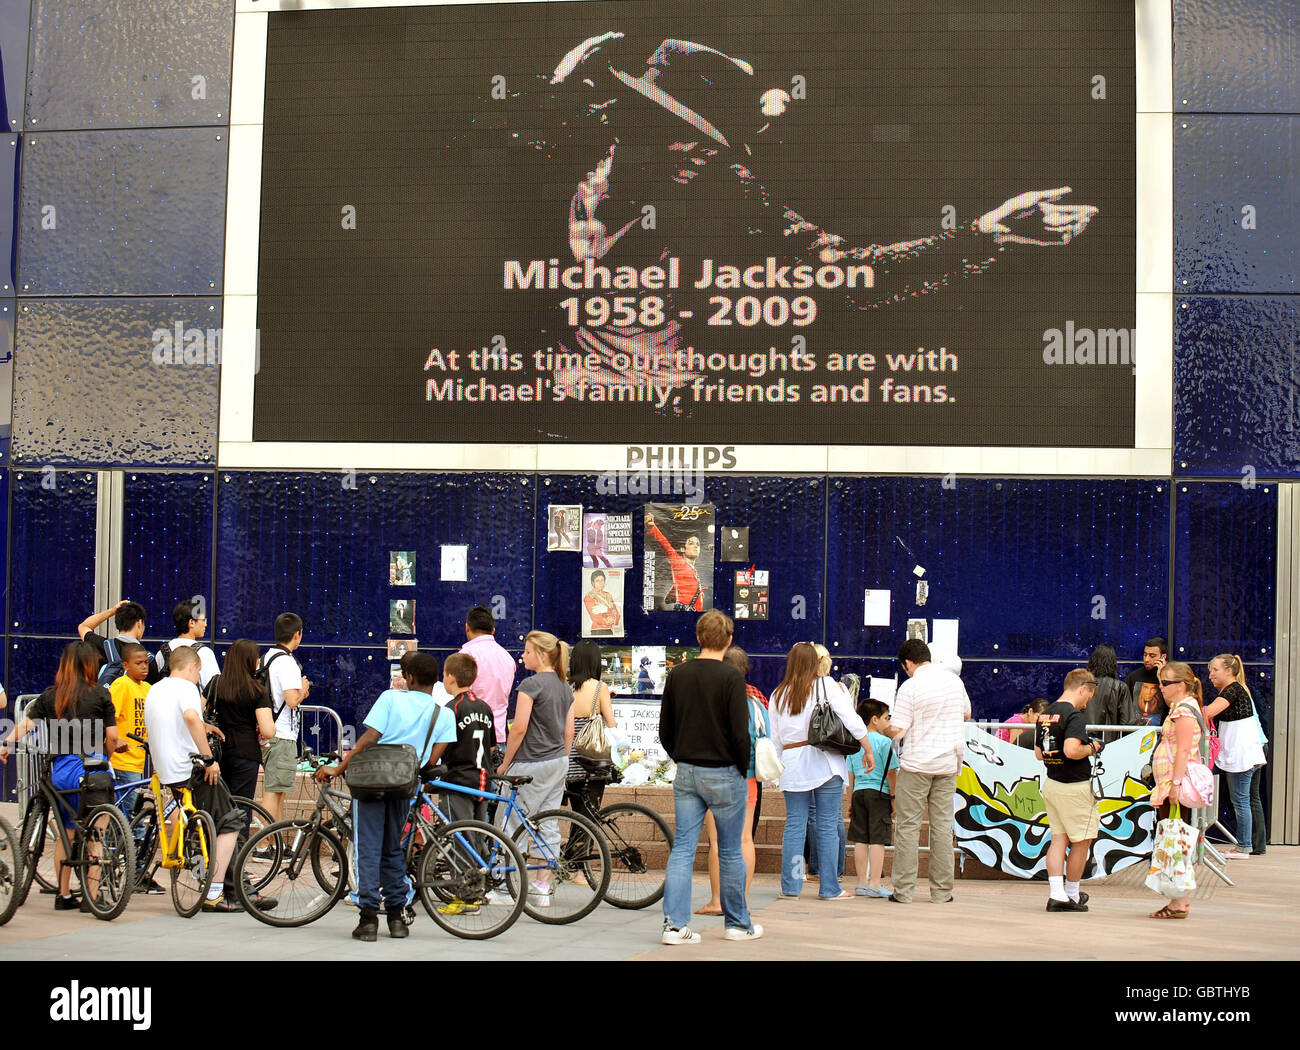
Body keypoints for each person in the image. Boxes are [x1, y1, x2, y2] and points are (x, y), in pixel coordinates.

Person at [315, 652, 455, 939]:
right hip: (404, 787)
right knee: (393, 849)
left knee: (367, 848)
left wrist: (340, 767)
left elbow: (368, 739)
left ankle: (368, 920)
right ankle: (396, 918)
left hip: (369, 783)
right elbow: (430, 761)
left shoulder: (391, 698)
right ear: (436, 679)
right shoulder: (445, 714)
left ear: (409, 678)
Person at [658, 610, 761, 943]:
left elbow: (665, 729)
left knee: (683, 849)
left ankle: (674, 925)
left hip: (687, 770)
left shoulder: (678, 675)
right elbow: (739, 733)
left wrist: (680, 756)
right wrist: (741, 765)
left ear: (698, 637)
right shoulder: (732, 679)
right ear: (729, 640)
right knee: (731, 851)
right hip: (725, 772)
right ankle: (737, 925)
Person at [0, 641, 120, 910]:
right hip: (92, 770)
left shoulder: (51, 696)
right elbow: (112, 737)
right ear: (90, 665)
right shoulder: (101, 694)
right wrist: (104, 758)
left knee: (66, 832)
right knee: (95, 835)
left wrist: (5, 744)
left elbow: (25, 725)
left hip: (62, 771)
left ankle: (63, 895)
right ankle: (92, 897)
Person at [143, 646, 263, 913]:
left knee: (202, 822)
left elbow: (174, 722)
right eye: (198, 672)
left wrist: (202, 725)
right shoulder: (186, 687)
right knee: (231, 821)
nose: (198, 677)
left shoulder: (155, 689)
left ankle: (209, 875)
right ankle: (215, 891)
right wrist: (208, 758)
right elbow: (189, 716)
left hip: (165, 771)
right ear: (193, 667)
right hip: (189, 769)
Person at [768, 641, 872, 901]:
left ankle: (791, 887)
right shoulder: (826, 685)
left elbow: (775, 738)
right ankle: (829, 887)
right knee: (826, 825)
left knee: (794, 825)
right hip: (825, 760)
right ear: (815, 663)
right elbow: (850, 718)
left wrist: (776, 769)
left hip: (792, 763)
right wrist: (867, 747)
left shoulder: (779, 693)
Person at [882, 638, 970, 904]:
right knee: (942, 827)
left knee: (908, 827)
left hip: (917, 764)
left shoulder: (911, 686)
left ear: (908, 663)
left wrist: (879, 729)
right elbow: (966, 713)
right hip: (947, 764)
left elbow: (898, 730)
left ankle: (904, 891)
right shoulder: (955, 682)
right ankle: (942, 892)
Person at [497, 631, 576, 906]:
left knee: (510, 822)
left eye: (527, 652)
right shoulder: (565, 686)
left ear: (541, 655)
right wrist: (563, 760)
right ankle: (542, 886)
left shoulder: (531, 685)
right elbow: (569, 730)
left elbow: (518, 728)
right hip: (557, 761)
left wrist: (505, 764)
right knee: (547, 823)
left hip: (530, 762)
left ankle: (507, 887)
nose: (523, 656)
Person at [695, 645, 768, 916]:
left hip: (717, 774)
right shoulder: (757, 701)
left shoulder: (713, 698)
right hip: (748, 777)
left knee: (717, 841)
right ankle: (742, 902)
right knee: (745, 839)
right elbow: (766, 739)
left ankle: (716, 901)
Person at [1035, 669, 1102, 912]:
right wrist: (1092, 746)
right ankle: (1071, 894)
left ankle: (1057, 893)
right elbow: (1073, 750)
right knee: (1081, 842)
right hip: (1075, 786)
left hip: (1052, 783)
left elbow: (1039, 753)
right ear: (1083, 688)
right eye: (1089, 696)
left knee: (1058, 839)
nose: (1087, 703)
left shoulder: (1046, 714)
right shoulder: (1074, 716)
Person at [1146, 661, 1204, 919]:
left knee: (1174, 840)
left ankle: (1179, 901)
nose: (1161, 688)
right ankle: (1178, 899)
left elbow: (1182, 750)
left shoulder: (1184, 711)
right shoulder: (1182, 708)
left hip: (1173, 784)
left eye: (1165, 683)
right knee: (1173, 839)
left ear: (1181, 685)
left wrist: (1175, 785)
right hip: (1169, 783)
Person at [1204, 654, 1267, 859]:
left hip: (1242, 755)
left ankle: (1244, 846)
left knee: (1240, 800)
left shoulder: (1232, 690)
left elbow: (1209, 712)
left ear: (1229, 671)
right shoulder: (1236, 689)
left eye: (1215, 670)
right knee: (1248, 800)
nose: (1210, 674)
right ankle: (1252, 845)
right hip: (1250, 752)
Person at [211, 639, 276, 805]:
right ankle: (237, 833)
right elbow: (268, 730)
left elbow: (198, 712)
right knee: (241, 809)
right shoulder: (257, 690)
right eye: (256, 657)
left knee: (219, 806)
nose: (258, 661)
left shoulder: (216, 683)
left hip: (217, 752)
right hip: (245, 752)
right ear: (249, 660)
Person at [260, 613, 311, 826]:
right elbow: (291, 700)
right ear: (297, 635)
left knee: (278, 792)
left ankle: (275, 842)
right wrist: (304, 690)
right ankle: (263, 845)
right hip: (281, 734)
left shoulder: (266, 658)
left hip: (269, 730)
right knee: (273, 794)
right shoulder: (287, 662)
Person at [803, 644, 847, 881]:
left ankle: (818, 867)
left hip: (812, 756)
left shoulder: (807, 688)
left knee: (812, 814)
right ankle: (836, 869)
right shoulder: (839, 687)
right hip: (835, 756)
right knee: (834, 816)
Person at [847, 699, 898, 897]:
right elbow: (892, 772)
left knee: (861, 839)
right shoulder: (885, 742)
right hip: (879, 793)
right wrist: (893, 798)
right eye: (887, 718)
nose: (889, 722)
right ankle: (875, 884)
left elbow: (850, 773)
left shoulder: (856, 741)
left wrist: (850, 800)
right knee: (878, 839)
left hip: (859, 792)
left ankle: (861, 883)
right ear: (875, 720)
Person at [439, 653, 497, 823]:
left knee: (460, 839)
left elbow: (442, 745)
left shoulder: (451, 708)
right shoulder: (485, 707)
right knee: (477, 838)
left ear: (450, 677)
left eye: (443, 675)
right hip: (482, 780)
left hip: (458, 781)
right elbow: (491, 746)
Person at [563, 641, 617, 814]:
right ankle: (582, 842)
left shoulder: (565, 686)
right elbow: (611, 723)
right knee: (589, 818)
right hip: (592, 759)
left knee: (578, 816)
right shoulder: (600, 687)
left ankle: (576, 842)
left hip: (570, 760)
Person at [460, 605, 516, 747]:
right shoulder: (507, 657)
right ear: (493, 631)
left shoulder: (465, 656)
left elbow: (460, 698)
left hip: (470, 736)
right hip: (498, 736)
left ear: (467, 627)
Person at [77, 599, 148, 685]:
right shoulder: (147, 660)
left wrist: (112, 611)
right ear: (139, 623)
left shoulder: (103, 646)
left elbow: (83, 626)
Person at [645, 511, 706, 611]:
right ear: (683, 549)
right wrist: (652, 527)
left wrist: (698, 592)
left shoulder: (693, 569)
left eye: (698, 544)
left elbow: (676, 590)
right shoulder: (679, 562)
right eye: (691, 543)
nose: (696, 546)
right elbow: (666, 545)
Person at [153, 598, 220, 689]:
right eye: (203, 620)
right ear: (191, 622)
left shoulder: (162, 651)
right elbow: (213, 688)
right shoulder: (204, 652)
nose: (205, 624)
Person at [1085, 644, 1139, 735]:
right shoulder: (1120, 687)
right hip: (1110, 743)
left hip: (1083, 742)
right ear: (1113, 663)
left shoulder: (1082, 685)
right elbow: (1128, 723)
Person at [1125, 637, 1169, 726]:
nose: (1147, 659)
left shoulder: (1171, 678)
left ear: (1163, 657)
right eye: (1145, 655)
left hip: (1162, 734)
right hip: (1135, 734)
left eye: (1152, 656)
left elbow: (1173, 703)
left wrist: (1162, 676)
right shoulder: (1133, 677)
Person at [583, 570, 621, 636]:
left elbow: (617, 615)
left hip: (610, 630)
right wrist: (611, 612)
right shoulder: (589, 597)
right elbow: (597, 619)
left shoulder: (608, 595)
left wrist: (607, 610)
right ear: (592, 583)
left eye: (602, 580)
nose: (600, 583)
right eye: (597, 581)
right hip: (597, 631)